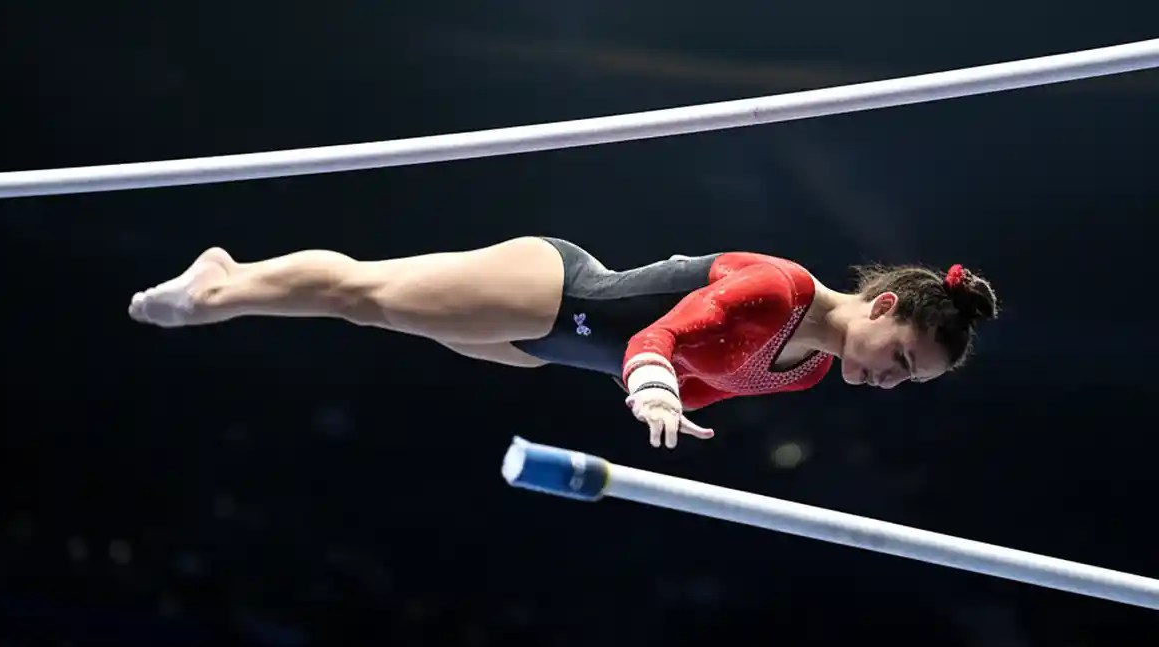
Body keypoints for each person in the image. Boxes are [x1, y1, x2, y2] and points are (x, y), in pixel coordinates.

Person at [128, 236, 998, 449]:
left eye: (907, 384)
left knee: (369, 311)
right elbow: (663, 337)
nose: (890, 381)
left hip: (554, 349)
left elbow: (696, 389)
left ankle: (228, 283)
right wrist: (649, 382)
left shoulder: (805, 376)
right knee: (366, 294)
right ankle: (221, 284)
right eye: (903, 361)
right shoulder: (779, 289)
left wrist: (658, 392)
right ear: (885, 310)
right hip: (556, 292)